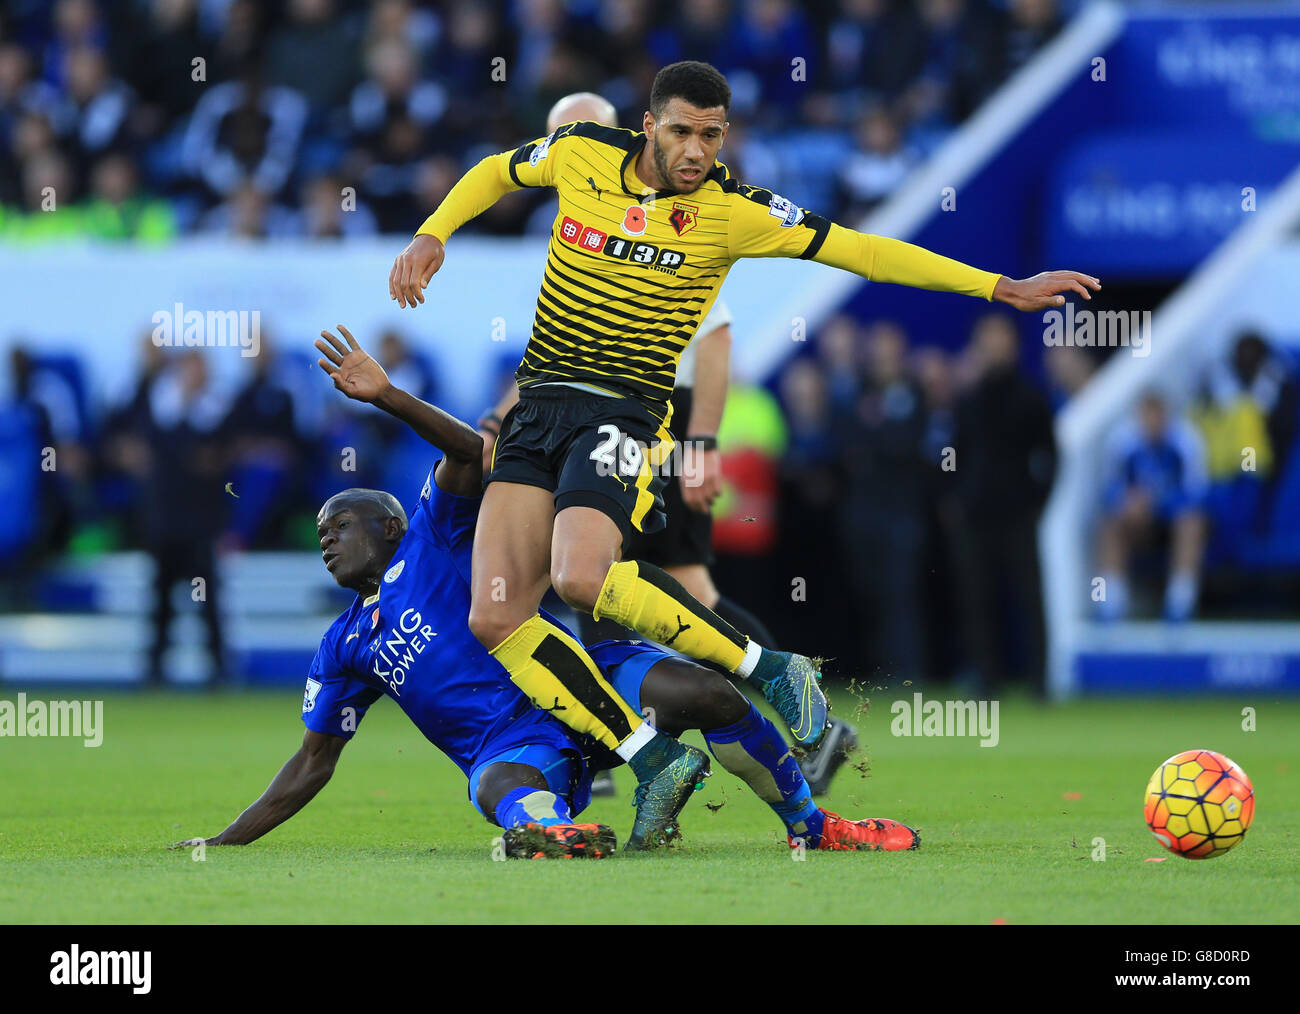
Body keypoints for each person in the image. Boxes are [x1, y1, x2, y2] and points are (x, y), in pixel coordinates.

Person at [386, 60, 1098, 815]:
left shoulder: (735, 210)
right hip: (539, 406)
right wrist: (433, 234)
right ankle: (654, 758)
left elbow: (866, 250)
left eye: (714, 135)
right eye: (685, 132)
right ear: (650, 125)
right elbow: (493, 172)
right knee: (495, 614)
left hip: (624, 412)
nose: (698, 151)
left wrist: (998, 286)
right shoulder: (581, 152)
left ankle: (769, 671)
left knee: (582, 579)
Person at [170, 326, 920, 856]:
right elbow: (312, 762)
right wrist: (225, 839)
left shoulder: (437, 534)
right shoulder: (343, 646)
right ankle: (558, 829)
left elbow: (475, 452)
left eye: (345, 520)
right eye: (323, 530)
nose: (328, 535)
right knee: (497, 785)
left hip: (578, 677)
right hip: (515, 742)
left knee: (710, 696)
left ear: (392, 524)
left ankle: (811, 823)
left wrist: (391, 398)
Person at [1098, 391, 1208, 622]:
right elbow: (1107, 492)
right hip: (1140, 525)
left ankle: (1179, 604)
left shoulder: (1186, 442)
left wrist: (1156, 502)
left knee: (1192, 522)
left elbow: (1198, 493)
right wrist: (1128, 503)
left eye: (1158, 415)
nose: (1153, 422)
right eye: (1147, 415)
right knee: (1110, 525)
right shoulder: (1122, 443)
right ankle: (1110, 604)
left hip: (1173, 522)